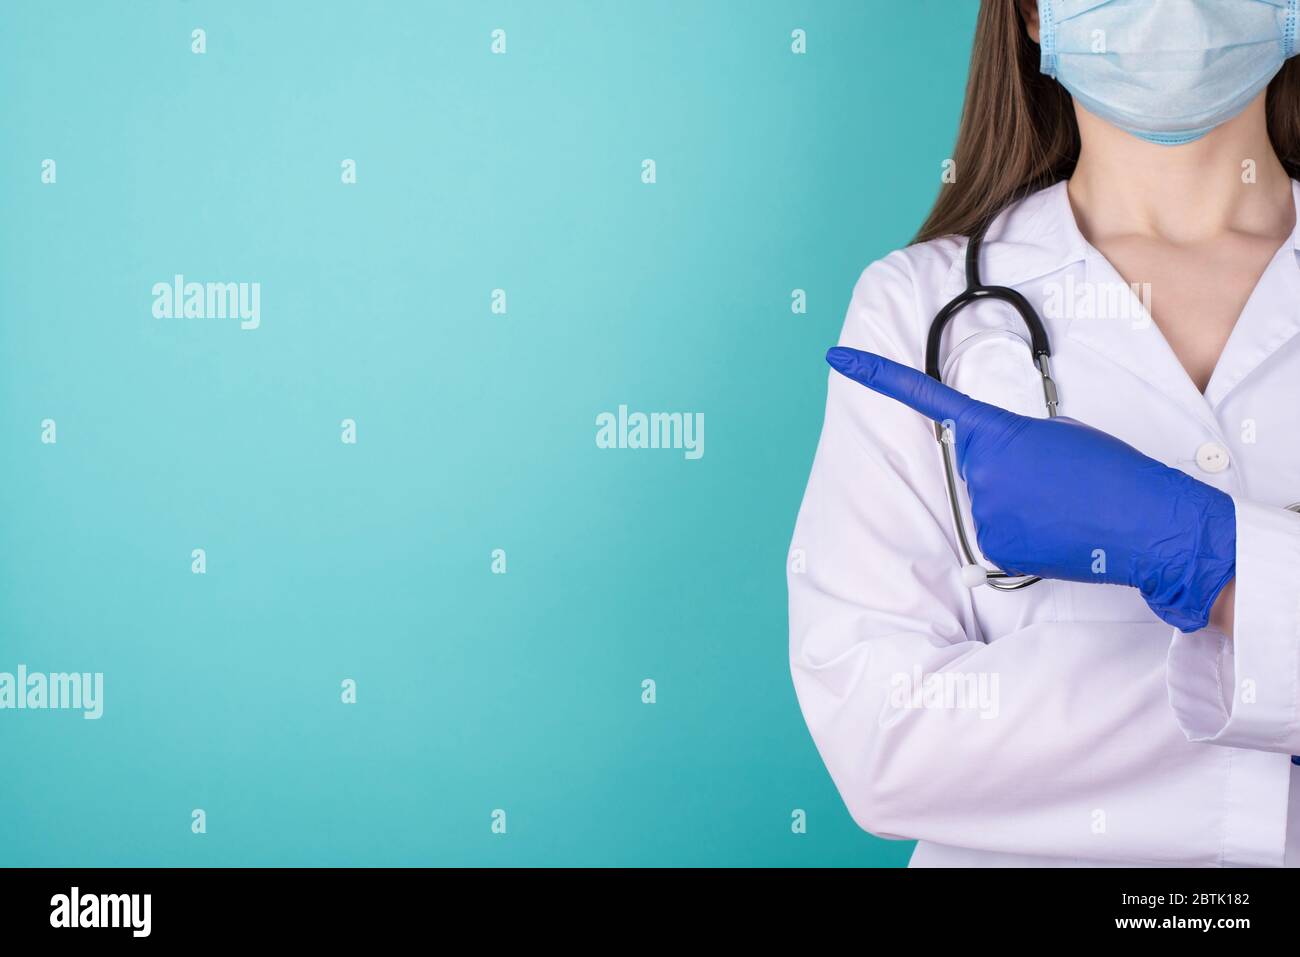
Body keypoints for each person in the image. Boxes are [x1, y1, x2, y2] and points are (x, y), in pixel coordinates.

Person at [788, 0, 1300, 866]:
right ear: (1029, 13)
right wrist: (1262, 659)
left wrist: (1223, 565)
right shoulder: (917, 311)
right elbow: (882, 740)